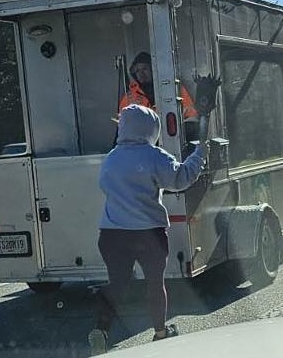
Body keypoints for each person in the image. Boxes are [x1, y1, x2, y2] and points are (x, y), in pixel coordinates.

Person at [88, 104, 208, 355]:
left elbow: (103, 185)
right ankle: (161, 333)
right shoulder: (154, 156)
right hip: (149, 233)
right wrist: (200, 154)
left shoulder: (111, 158)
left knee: (118, 283)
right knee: (155, 283)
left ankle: (101, 328)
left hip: (111, 234)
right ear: (152, 128)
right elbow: (181, 178)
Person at [119, 52, 198, 121]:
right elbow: (122, 123)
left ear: (152, 69)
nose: (141, 73)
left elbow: (191, 114)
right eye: (137, 71)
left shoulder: (173, 88)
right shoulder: (129, 97)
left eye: (145, 69)